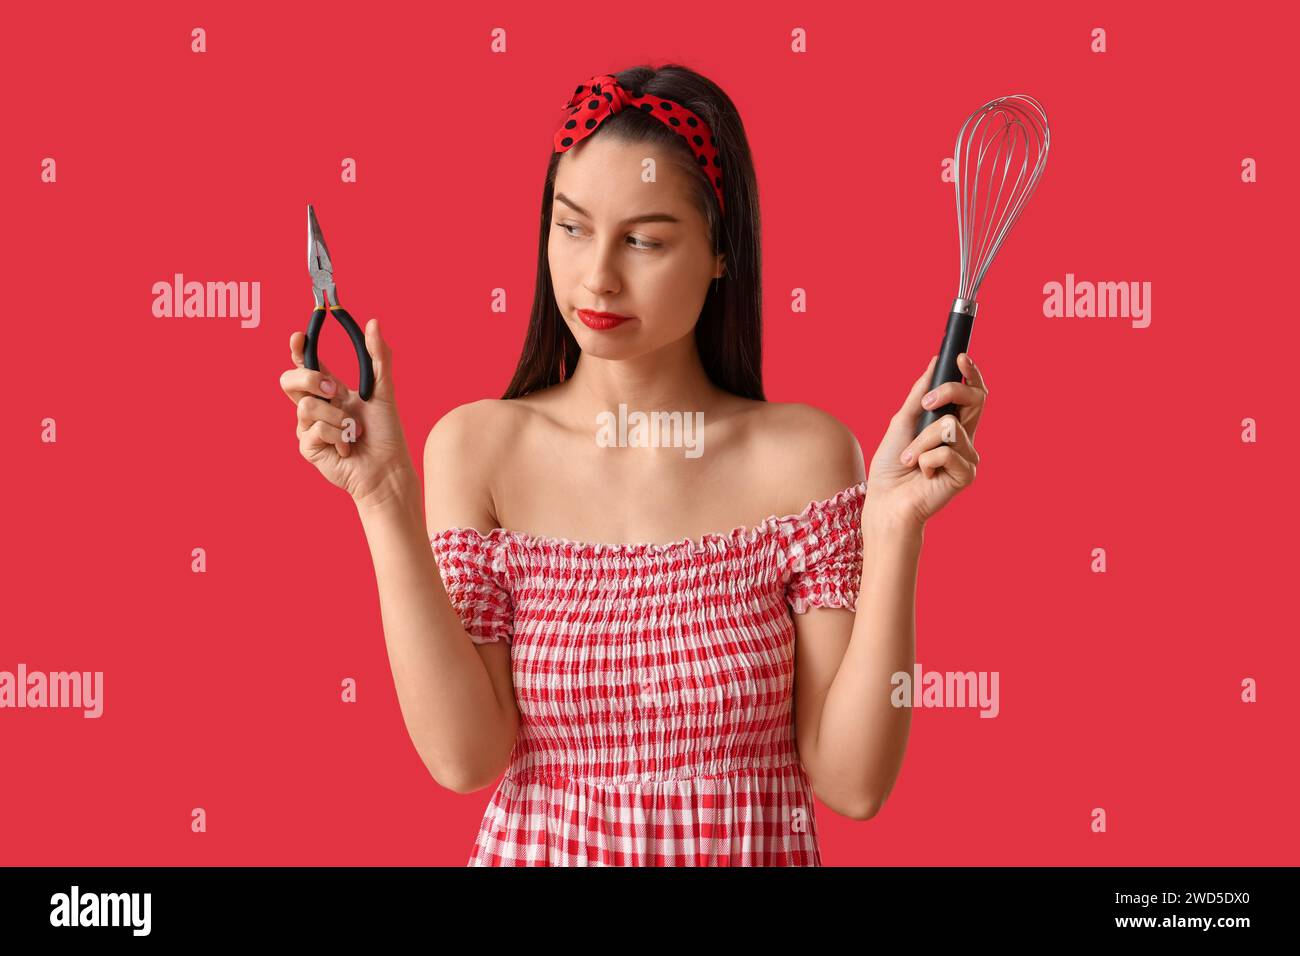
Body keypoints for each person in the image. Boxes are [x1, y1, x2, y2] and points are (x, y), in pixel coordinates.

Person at [279, 64, 987, 866]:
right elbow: (464, 758)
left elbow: (854, 784)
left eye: (644, 240)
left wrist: (892, 527)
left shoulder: (807, 459)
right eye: (571, 226)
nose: (597, 277)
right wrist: (383, 496)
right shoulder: (480, 449)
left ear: (723, 251)